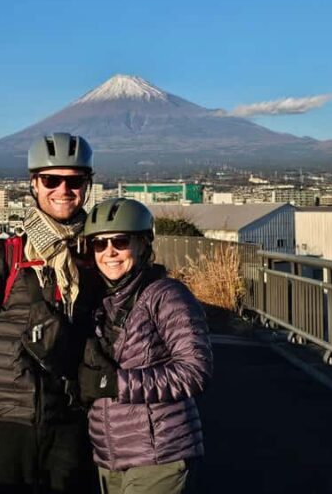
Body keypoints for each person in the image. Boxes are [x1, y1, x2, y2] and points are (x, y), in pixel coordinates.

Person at [0, 132, 101, 493]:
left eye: (74, 181)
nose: (63, 189)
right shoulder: (0, 259)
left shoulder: (98, 257)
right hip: (2, 426)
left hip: (72, 426)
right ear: (34, 184)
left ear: (88, 186)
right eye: (51, 180)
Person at [79, 198, 213, 494]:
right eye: (99, 244)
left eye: (120, 241)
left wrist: (115, 383)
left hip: (158, 454)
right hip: (110, 457)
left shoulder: (166, 296)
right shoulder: (101, 302)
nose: (109, 252)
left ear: (142, 244)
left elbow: (194, 370)